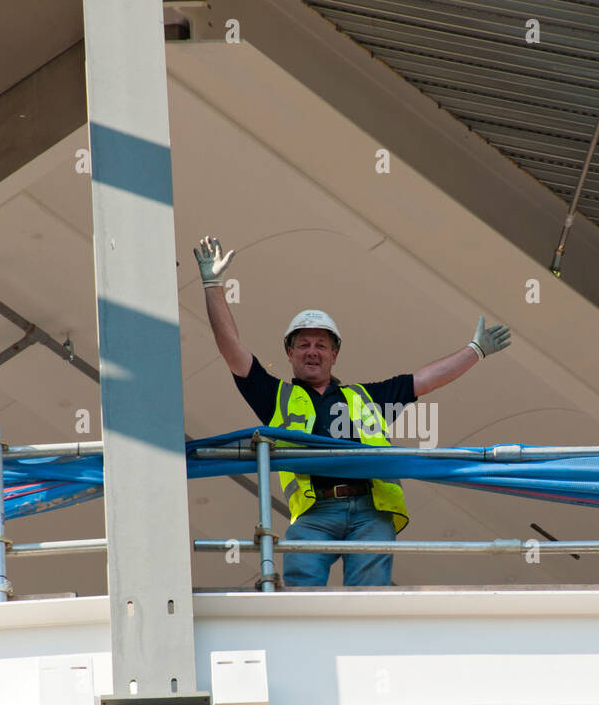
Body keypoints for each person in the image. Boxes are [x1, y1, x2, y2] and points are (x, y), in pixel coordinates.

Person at [195, 235, 511, 587]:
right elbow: (232, 351)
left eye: (321, 345)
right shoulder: (276, 397)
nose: (312, 351)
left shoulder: (364, 397)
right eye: (303, 344)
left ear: (334, 355)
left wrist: (475, 351)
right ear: (289, 353)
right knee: (302, 599)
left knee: (367, 602)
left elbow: (423, 380)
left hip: (371, 511)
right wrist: (213, 285)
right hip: (314, 515)